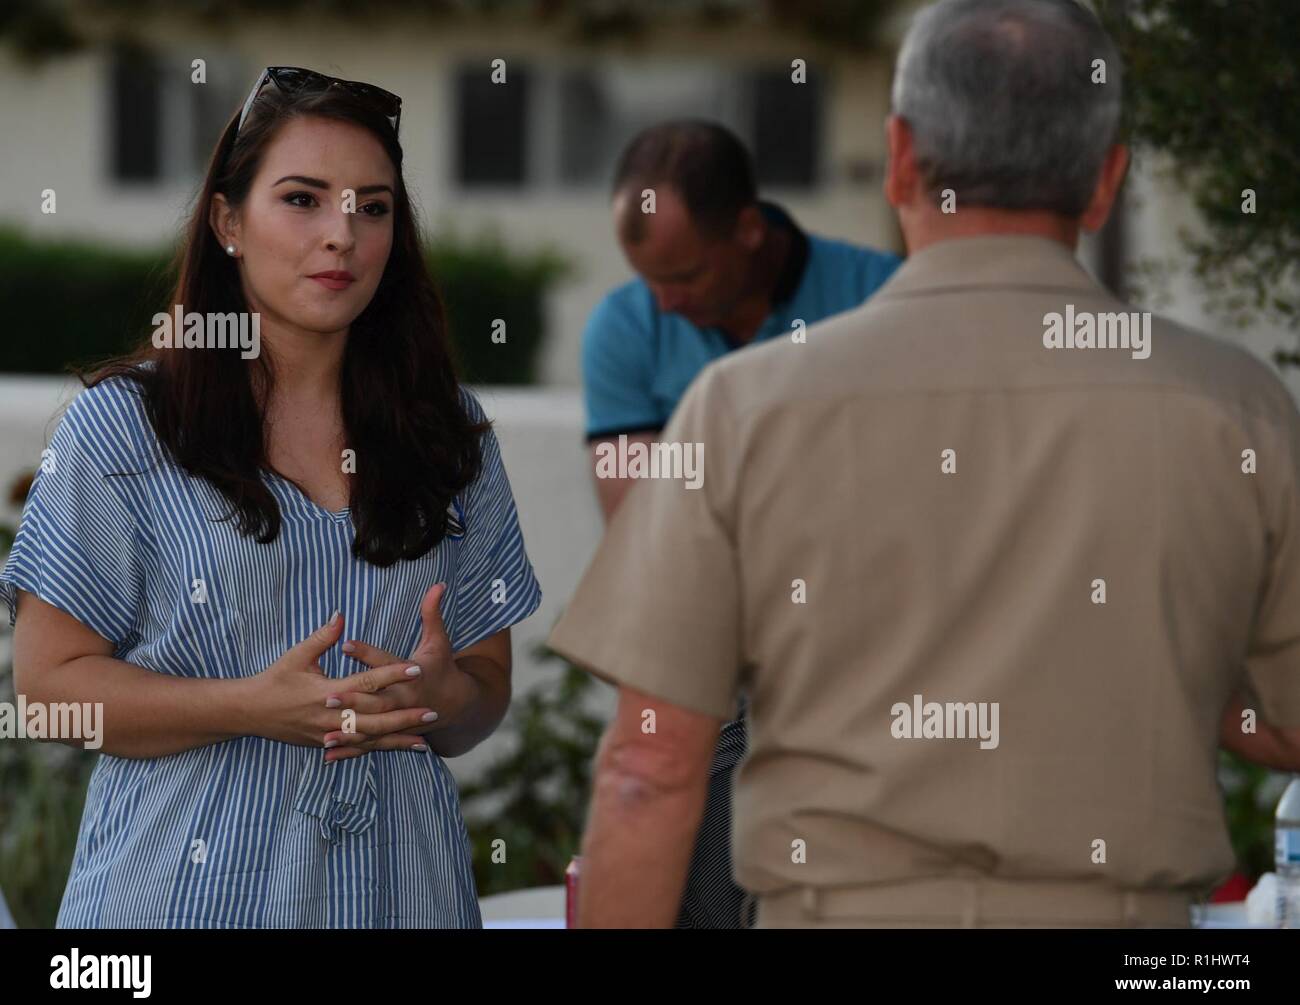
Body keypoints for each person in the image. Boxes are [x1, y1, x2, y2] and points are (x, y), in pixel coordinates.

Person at [548, 0, 1300, 928]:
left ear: (901, 156)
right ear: (1106, 183)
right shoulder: (1236, 407)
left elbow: (649, 765)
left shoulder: (743, 408)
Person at [1, 67, 541, 928]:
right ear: (227, 222)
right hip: (178, 899)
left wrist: (438, 693)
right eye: (303, 200)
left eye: (374, 207)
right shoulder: (124, 429)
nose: (343, 235)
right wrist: (247, 706)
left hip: (403, 894)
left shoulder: (449, 431)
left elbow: (484, 693)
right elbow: (46, 692)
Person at [580, 120, 901, 927]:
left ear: (749, 231)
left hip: (865, 687)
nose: (664, 303)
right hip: (710, 681)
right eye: (646, 280)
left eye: (683, 275)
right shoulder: (623, 327)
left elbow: (907, 521)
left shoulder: (881, 297)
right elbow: (648, 541)